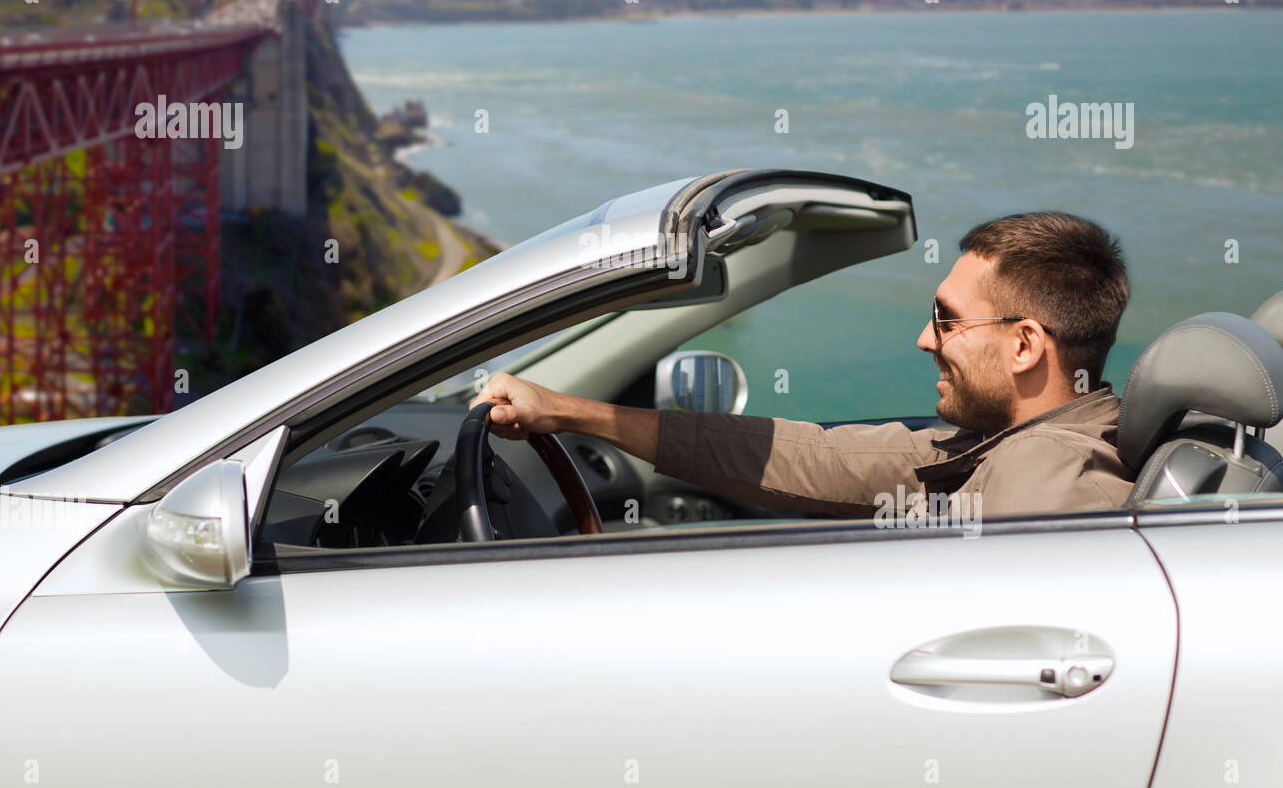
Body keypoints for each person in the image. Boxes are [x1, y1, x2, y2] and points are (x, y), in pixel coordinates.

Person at [469, 212, 1134, 522]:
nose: (924, 339)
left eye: (948, 319)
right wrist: (569, 411)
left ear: (1023, 346)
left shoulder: (1054, 494)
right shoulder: (998, 446)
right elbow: (806, 457)